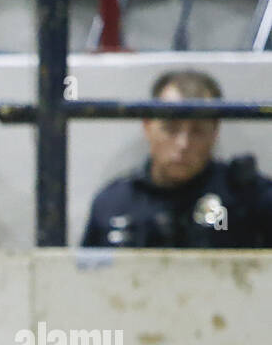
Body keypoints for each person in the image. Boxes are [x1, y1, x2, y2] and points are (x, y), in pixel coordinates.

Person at [81, 69, 272, 249]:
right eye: (171, 129)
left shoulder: (246, 198)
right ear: (147, 126)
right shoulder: (114, 202)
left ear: (215, 131)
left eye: (197, 131)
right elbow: (84, 278)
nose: (183, 144)